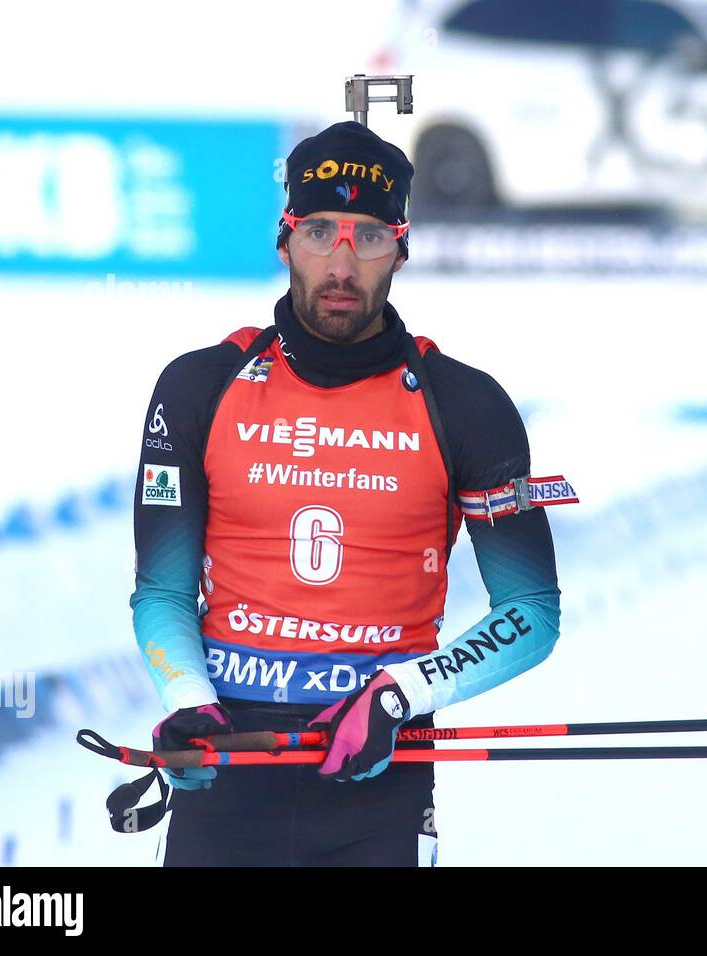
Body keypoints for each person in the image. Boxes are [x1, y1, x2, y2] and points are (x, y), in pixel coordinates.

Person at [129, 122, 572, 866]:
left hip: (380, 770)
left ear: (401, 248)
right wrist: (186, 703)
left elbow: (532, 612)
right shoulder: (199, 386)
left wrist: (401, 695)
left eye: (369, 237)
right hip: (231, 762)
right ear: (285, 240)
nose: (342, 261)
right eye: (320, 232)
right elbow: (160, 594)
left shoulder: (464, 403)